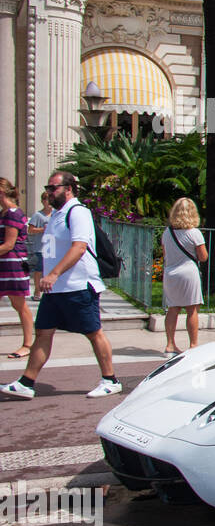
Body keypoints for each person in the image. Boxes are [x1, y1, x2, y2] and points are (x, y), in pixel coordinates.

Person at [0, 171, 119, 399]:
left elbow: (79, 247)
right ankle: (27, 382)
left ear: (69, 188)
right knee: (43, 333)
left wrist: (53, 274)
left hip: (79, 286)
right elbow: (52, 250)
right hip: (55, 290)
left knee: (94, 333)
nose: (49, 191)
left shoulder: (78, 212)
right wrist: (45, 277)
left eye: (53, 187)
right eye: (48, 187)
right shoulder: (55, 215)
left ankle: (110, 380)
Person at [161, 197, 208, 356]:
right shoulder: (194, 233)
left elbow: (165, 254)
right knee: (192, 309)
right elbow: (203, 257)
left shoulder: (167, 233)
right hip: (188, 273)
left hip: (170, 273)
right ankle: (193, 345)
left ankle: (170, 345)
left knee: (172, 309)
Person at [0, 178, 34, 358]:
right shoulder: (4, 213)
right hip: (4, 265)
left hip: (12, 265)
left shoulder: (13, 213)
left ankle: (28, 344)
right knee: (18, 305)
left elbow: (8, 244)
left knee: (19, 305)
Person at [27, 190, 52, 300]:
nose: (49, 202)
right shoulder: (38, 215)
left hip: (53, 247)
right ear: (43, 201)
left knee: (51, 270)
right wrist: (43, 229)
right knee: (39, 269)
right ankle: (37, 291)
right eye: (46, 199)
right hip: (41, 247)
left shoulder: (56, 214)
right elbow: (30, 230)